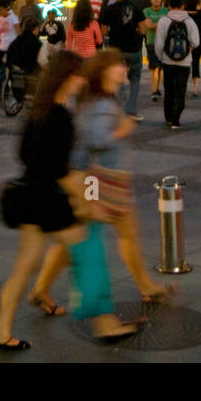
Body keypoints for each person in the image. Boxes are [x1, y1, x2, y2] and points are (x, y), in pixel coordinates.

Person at [0, 52, 140, 349]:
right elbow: (63, 171)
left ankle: (1, 333)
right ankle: (105, 324)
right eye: (78, 76)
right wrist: (86, 202)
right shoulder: (61, 117)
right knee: (89, 250)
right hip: (49, 201)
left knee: (24, 267)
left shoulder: (36, 112)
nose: (82, 81)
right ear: (67, 79)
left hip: (26, 197)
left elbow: (24, 155)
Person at [28, 51, 174, 324]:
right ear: (103, 72)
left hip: (103, 178)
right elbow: (96, 139)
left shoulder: (100, 99)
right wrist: (124, 128)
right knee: (84, 236)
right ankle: (105, 308)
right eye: (115, 65)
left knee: (108, 233)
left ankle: (144, 287)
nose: (122, 68)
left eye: (122, 63)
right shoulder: (101, 104)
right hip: (99, 179)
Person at [154, 0, 200, 130]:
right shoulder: (189, 21)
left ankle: (168, 117)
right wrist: (188, 50)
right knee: (181, 90)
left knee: (169, 90)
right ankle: (176, 119)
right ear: (183, 6)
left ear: (168, 6)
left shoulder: (163, 21)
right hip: (184, 62)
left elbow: (159, 44)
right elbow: (196, 42)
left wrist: (161, 57)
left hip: (167, 61)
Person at [102, 0, 147, 119]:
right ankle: (131, 110)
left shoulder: (109, 9)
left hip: (116, 50)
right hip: (133, 48)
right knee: (135, 79)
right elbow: (143, 29)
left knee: (118, 80)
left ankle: (118, 110)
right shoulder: (136, 7)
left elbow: (104, 31)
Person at [0, 0, 20, 101]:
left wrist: (20, 47)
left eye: (0, 10)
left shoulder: (13, 18)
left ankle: (13, 92)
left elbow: (19, 33)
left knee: (12, 71)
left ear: (6, 8)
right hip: (1, 47)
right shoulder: (0, 19)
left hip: (12, 48)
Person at [142, 0, 168, 100]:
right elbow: (149, 25)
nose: (156, 0)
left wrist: (155, 24)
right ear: (150, 0)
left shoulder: (166, 10)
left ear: (162, 0)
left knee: (161, 67)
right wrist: (162, 24)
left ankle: (157, 88)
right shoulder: (146, 11)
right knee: (153, 67)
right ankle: (153, 91)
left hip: (164, 42)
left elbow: (165, 25)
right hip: (151, 41)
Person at [184, 0, 201, 94]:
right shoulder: (200, 15)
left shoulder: (183, 15)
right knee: (196, 64)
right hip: (198, 43)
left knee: (184, 64)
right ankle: (195, 88)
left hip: (185, 44)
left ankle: (183, 85)